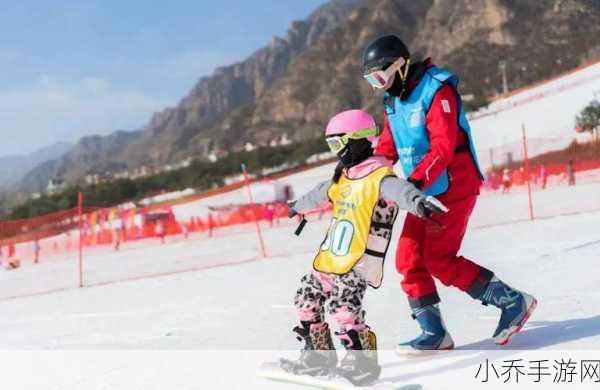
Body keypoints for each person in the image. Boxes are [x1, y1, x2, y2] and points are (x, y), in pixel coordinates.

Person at [361, 34, 537, 352]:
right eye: (372, 81)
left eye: (380, 76)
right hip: (422, 191)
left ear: (398, 66)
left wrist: (413, 184)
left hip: (453, 184)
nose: (379, 85)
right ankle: (434, 332)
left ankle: (513, 302)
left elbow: (442, 146)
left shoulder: (436, 87)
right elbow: (388, 148)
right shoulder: (393, 101)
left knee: (439, 259)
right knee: (408, 259)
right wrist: (364, 173)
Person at [284, 109, 447, 385]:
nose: (336, 152)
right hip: (330, 259)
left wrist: (419, 202)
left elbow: (401, 191)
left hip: (358, 261)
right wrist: (297, 206)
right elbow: (317, 194)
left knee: (343, 307)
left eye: (338, 143)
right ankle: (319, 354)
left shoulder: (378, 178)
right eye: (331, 145)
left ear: (358, 140)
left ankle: (361, 361)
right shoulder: (342, 178)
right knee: (306, 298)